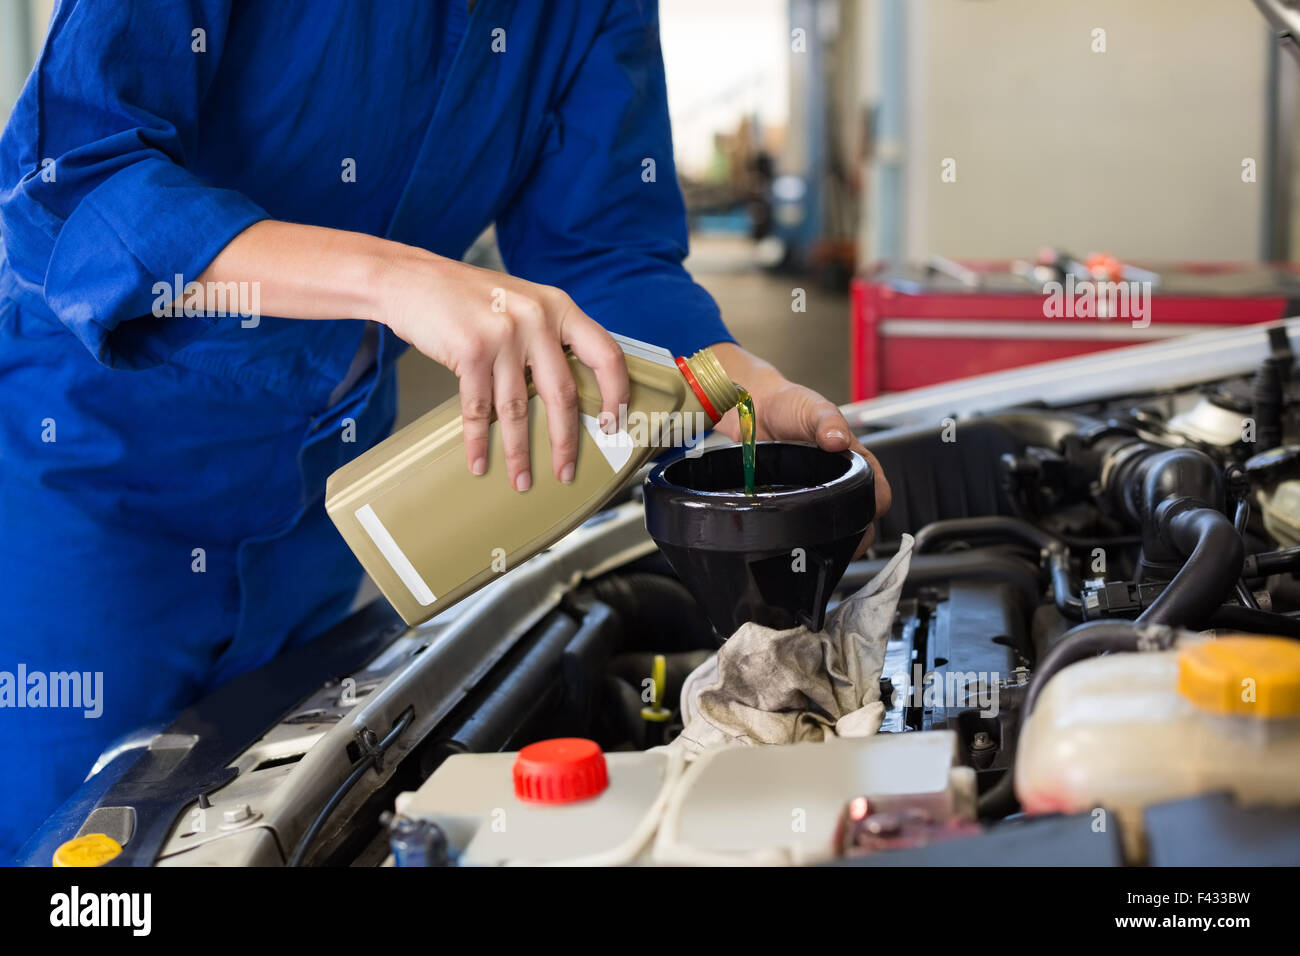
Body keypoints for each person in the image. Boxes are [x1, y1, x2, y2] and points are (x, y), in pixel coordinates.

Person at [0, 0, 890, 860]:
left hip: (326, 499)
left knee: (262, 826)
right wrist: (395, 281)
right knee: (81, 857)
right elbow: (70, 184)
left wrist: (738, 380)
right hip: (86, 485)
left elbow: (601, 253)